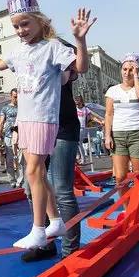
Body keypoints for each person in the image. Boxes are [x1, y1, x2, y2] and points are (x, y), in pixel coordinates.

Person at [0, 0, 93, 249]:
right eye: (16, 26)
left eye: (25, 23)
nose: (21, 30)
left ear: (39, 21)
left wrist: (80, 41)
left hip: (46, 117)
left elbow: (80, 68)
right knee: (36, 174)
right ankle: (54, 220)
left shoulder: (52, 47)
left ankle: (38, 230)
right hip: (25, 118)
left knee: (34, 171)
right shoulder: (18, 51)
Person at [21, 44, 83, 262]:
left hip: (64, 128)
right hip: (37, 126)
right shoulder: (30, 57)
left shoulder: (61, 55)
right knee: (31, 187)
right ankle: (45, 240)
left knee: (62, 191)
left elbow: (64, 78)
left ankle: (71, 250)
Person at [104, 53, 139, 205]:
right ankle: (127, 206)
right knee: (120, 177)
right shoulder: (113, 91)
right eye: (124, 69)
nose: (127, 73)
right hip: (118, 134)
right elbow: (109, 114)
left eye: (131, 70)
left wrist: (136, 77)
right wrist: (107, 136)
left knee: (138, 175)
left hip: (138, 133)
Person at [0, 89, 19, 188]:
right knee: (9, 160)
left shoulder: (22, 108)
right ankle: (12, 180)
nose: (17, 98)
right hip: (8, 137)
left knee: (21, 160)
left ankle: (20, 180)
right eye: (15, 96)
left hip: (21, 136)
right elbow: (1, 122)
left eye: (18, 96)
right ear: (11, 96)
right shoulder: (5, 108)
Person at [75, 95, 104, 162]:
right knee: (77, 143)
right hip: (75, 128)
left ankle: (82, 158)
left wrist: (100, 122)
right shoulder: (74, 109)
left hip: (82, 128)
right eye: (76, 104)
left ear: (82, 102)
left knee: (79, 143)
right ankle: (79, 156)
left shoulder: (85, 109)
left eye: (78, 104)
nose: (77, 106)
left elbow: (93, 117)